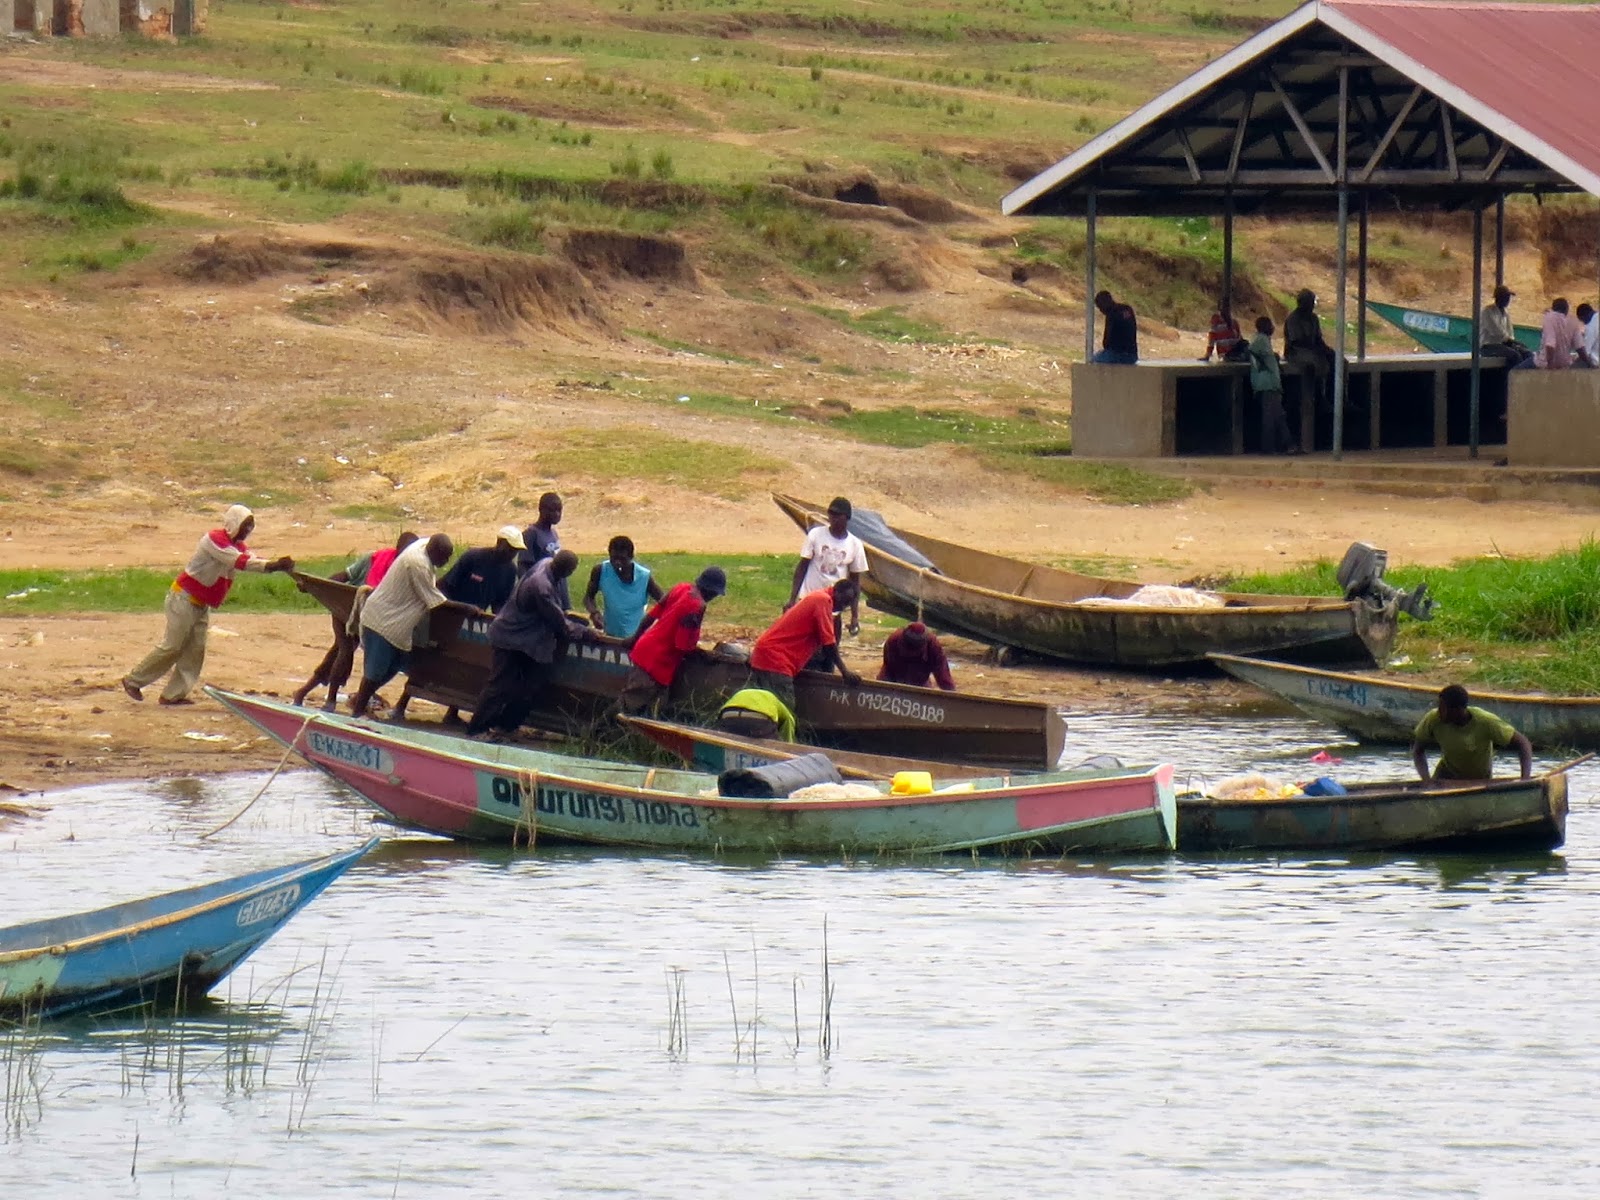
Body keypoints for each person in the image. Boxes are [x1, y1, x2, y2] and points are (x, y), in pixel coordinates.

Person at [122, 505, 294, 705]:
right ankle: (133, 680)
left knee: (195, 649)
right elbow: (241, 562)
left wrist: (275, 566)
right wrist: (274, 566)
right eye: (245, 525)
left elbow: (251, 560)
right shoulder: (214, 540)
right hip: (183, 598)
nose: (248, 531)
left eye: (250, 526)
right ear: (233, 524)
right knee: (173, 645)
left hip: (201, 604)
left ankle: (173, 695)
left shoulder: (237, 546)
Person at [466, 550, 597, 740]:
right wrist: (585, 632)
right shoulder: (542, 587)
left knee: (530, 686)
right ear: (568, 571)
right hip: (511, 637)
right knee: (499, 685)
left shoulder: (546, 562)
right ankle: (476, 729)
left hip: (529, 640)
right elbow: (560, 624)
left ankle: (506, 726)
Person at [292, 531, 417, 710]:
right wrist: (316, 586)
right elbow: (344, 576)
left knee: (335, 654)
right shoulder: (374, 559)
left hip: (368, 619)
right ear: (398, 549)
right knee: (345, 651)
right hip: (346, 609)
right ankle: (331, 699)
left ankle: (302, 692)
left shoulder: (408, 571)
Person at [349, 533, 454, 719]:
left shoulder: (424, 545)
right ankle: (357, 712)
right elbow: (435, 601)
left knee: (394, 666)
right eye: (444, 558)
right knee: (375, 670)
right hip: (383, 621)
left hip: (398, 627)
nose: (445, 563)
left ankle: (359, 701)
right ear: (434, 550)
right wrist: (466, 608)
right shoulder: (417, 564)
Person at [618, 566, 727, 715]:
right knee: (630, 705)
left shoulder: (681, 588)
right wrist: (704, 655)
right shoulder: (697, 606)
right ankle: (598, 731)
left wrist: (635, 638)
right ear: (711, 591)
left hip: (646, 649)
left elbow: (651, 615)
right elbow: (683, 645)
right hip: (657, 660)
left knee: (654, 708)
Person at [748, 578, 862, 707]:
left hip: (767, 654)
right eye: (844, 601)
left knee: (760, 705)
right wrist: (845, 672)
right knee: (785, 709)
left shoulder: (818, 598)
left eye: (847, 605)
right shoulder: (823, 600)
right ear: (836, 591)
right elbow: (829, 644)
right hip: (776, 659)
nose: (842, 607)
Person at [1410, 684, 1532, 783]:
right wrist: (1427, 780)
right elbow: (1418, 751)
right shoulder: (1433, 718)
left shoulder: (1485, 721)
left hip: (1479, 780)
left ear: (1457, 710)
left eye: (1443, 707)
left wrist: (1525, 779)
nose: (1439, 711)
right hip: (1446, 777)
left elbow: (1523, 743)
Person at [787, 496, 867, 636]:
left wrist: (854, 616)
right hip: (808, 601)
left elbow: (855, 583)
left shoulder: (855, 545)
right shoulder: (816, 535)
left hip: (833, 607)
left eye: (837, 515)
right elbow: (802, 567)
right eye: (831, 513)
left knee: (830, 647)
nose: (832, 518)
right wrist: (792, 599)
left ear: (847, 518)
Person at [584, 535, 664, 638]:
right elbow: (588, 597)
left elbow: (663, 601)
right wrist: (594, 613)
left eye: (622, 559)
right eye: (614, 558)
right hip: (611, 635)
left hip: (637, 638)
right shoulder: (601, 571)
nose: (617, 563)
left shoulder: (644, 577)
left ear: (631, 557)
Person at [1248, 315, 1296, 455]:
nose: (1273, 328)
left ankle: (1288, 444)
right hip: (1267, 384)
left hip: (1270, 384)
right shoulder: (1260, 340)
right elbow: (1256, 353)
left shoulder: (1262, 340)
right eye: (1270, 325)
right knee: (1271, 418)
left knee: (1278, 416)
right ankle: (1270, 447)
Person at [1284, 288, 1335, 406]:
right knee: (1315, 362)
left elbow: (1318, 338)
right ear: (1302, 303)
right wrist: (1316, 349)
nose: (1311, 306)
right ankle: (1318, 398)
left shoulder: (1314, 318)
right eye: (1309, 303)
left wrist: (1326, 349)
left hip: (1313, 349)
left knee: (1337, 359)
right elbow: (1296, 341)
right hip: (1296, 352)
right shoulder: (1293, 319)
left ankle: (1337, 396)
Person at [516, 493, 568, 606]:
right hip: (543, 595)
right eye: (552, 510)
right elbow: (523, 569)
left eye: (559, 510)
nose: (557, 514)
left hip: (557, 592)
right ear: (541, 510)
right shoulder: (531, 534)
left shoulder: (553, 533)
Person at [877, 622, 955, 690]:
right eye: (908, 649)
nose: (910, 654)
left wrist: (952, 698)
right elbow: (888, 668)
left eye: (913, 651)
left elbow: (943, 675)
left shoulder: (933, 646)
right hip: (894, 676)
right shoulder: (893, 641)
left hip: (920, 681)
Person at [1478, 284, 1532, 367]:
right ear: (1498, 298)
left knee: (1527, 353)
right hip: (1488, 347)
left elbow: (1509, 331)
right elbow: (1495, 331)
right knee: (1514, 356)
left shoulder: (1506, 313)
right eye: (1505, 297)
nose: (1508, 300)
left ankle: (1524, 377)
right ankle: (1511, 378)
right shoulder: (1487, 311)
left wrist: (1515, 343)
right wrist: (1511, 341)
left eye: (1508, 297)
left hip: (1502, 345)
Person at [716, 688, 797, 741]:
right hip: (757, 718)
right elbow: (789, 720)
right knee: (772, 743)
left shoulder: (744, 692)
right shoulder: (778, 705)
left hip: (728, 714)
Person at [1091, 290, 1138, 365]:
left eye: (1100, 307)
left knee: (1092, 360)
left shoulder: (1112, 314)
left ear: (1104, 304)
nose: (1101, 310)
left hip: (1117, 355)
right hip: (1132, 355)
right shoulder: (1127, 308)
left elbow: (1106, 342)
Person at [1537, 298, 1585, 370]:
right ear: (1567, 310)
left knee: (1516, 370)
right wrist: (1590, 364)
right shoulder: (1573, 321)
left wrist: (1550, 366)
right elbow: (1580, 348)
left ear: (1553, 308)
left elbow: (1550, 345)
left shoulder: (1549, 318)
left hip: (1545, 363)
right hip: (1565, 365)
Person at [1578, 303, 1599, 369]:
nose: (1583, 323)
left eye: (1582, 320)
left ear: (1584, 316)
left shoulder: (1591, 326)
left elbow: (1586, 351)